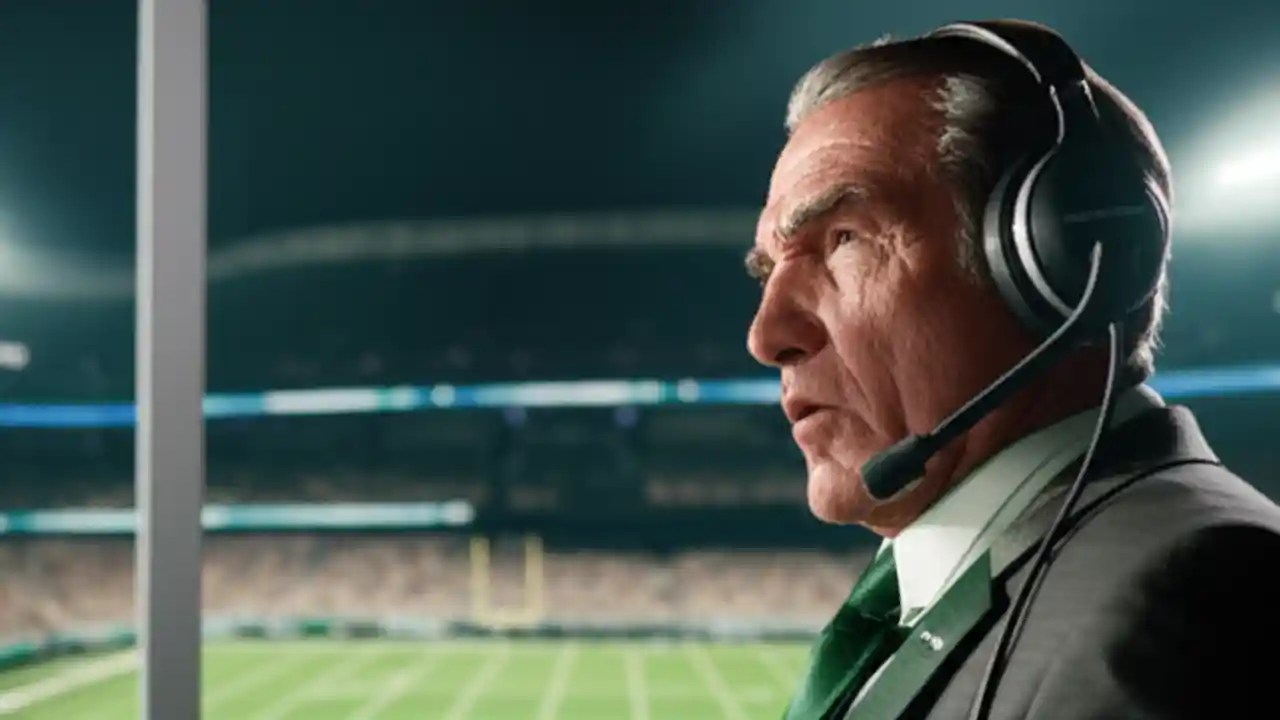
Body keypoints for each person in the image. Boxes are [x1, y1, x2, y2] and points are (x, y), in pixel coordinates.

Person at [746, 18, 1280, 720]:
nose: (767, 335)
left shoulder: (1198, 596)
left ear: (1060, 258)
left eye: (846, 241)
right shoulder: (971, 580)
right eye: (767, 273)